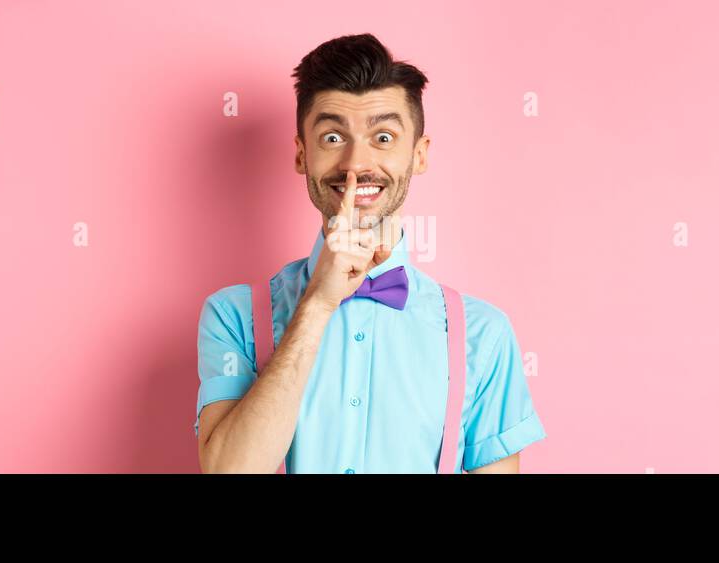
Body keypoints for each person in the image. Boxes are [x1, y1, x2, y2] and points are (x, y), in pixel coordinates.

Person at [194, 33, 545, 473]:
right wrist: (318, 305)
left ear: (418, 155)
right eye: (333, 137)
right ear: (302, 155)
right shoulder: (232, 316)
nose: (357, 164)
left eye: (382, 137)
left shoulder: (483, 333)